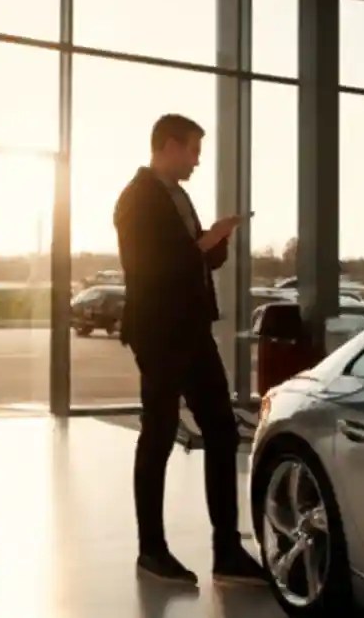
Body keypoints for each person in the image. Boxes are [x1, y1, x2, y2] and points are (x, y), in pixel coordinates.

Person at [113, 113, 267, 586]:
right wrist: (206, 241)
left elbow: (197, 258)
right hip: (160, 331)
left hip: (192, 329)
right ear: (169, 146)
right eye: (194, 150)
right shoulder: (137, 199)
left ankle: (226, 551)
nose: (198, 161)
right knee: (158, 435)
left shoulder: (178, 196)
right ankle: (151, 551)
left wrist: (217, 242)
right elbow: (159, 263)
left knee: (221, 430)